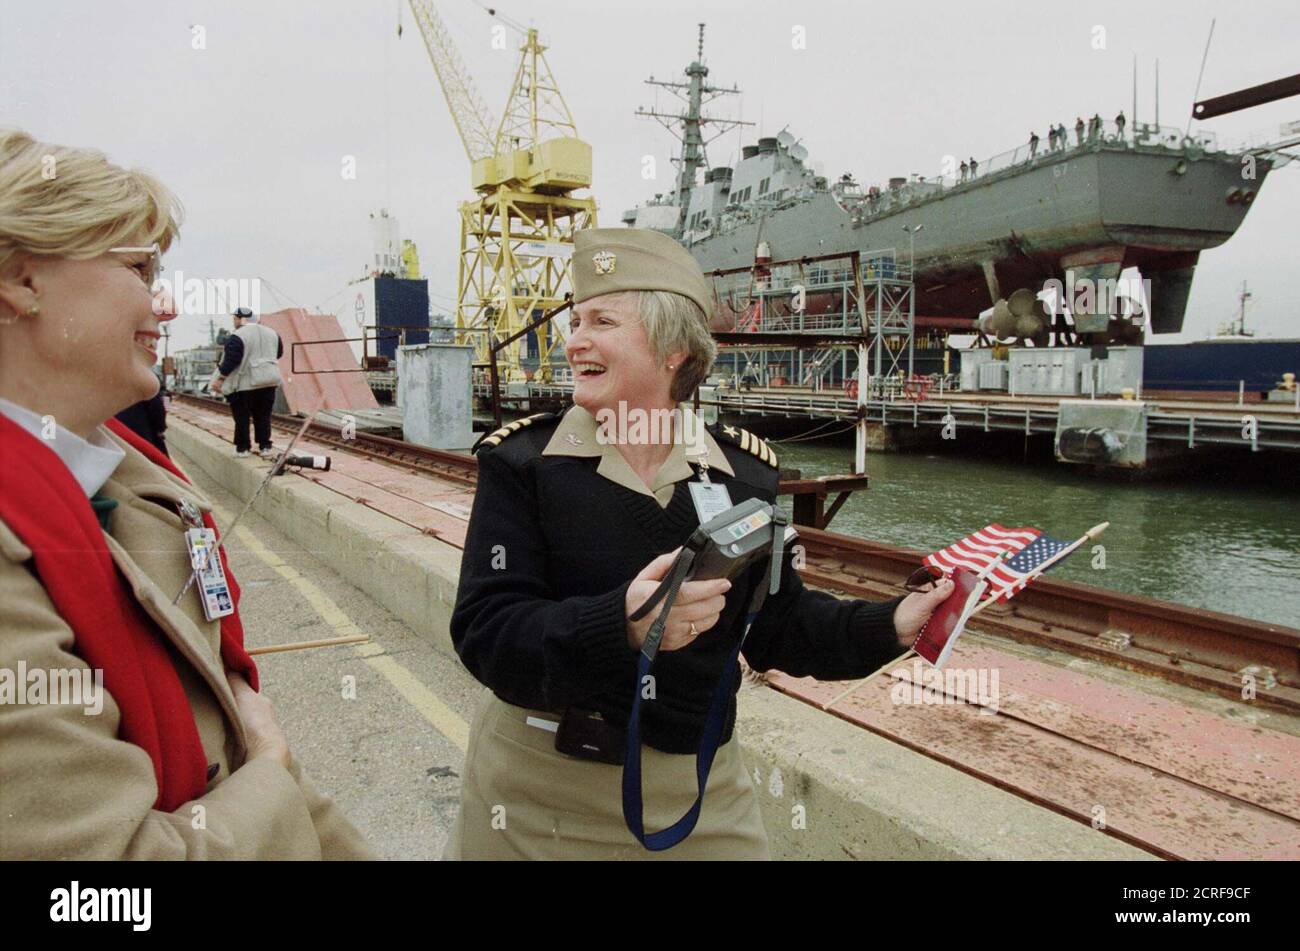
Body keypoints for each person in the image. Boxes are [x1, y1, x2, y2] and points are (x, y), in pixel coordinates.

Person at [442, 228, 954, 859]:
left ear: (674, 349)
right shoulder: (523, 465)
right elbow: (487, 632)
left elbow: (777, 624)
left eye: (602, 321)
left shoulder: (744, 473)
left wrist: (894, 624)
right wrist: (623, 625)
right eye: (576, 322)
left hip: (700, 794)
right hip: (540, 788)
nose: (574, 341)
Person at [0, 129, 372, 860]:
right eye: (139, 269)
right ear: (22, 282)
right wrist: (267, 775)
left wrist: (271, 781)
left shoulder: (137, 482)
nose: (164, 305)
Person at [211, 306, 283, 458]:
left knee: (242, 417)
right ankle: (265, 447)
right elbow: (279, 353)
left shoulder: (237, 336)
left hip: (245, 384)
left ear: (240, 319)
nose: (234, 321)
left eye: (235, 318)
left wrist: (220, 379)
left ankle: (243, 448)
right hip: (269, 381)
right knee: (263, 416)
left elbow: (231, 361)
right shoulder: (273, 333)